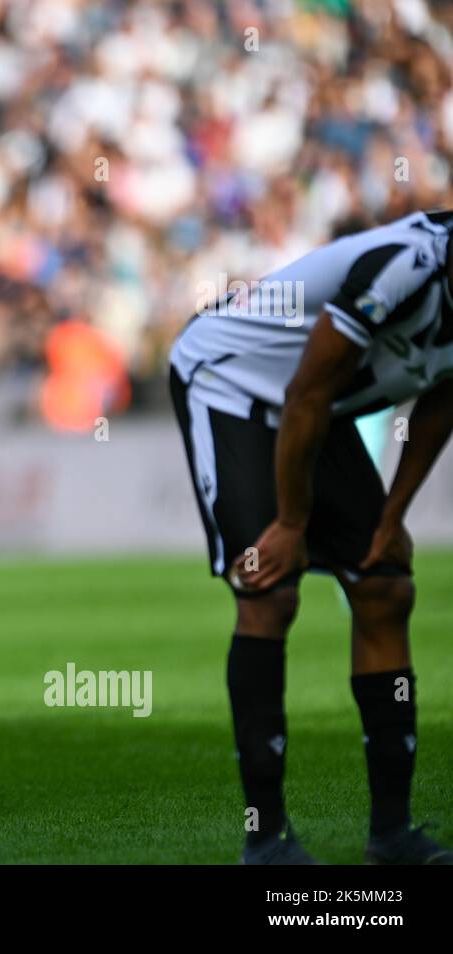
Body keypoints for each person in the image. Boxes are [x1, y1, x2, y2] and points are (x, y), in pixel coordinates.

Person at [170, 208, 453, 864]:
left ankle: (392, 834)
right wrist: (291, 523)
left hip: (311, 408)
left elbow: (441, 403)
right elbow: (305, 394)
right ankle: (265, 838)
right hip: (230, 384)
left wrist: (393, 517)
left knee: (386, 589)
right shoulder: (406, 265)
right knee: (270, 591)